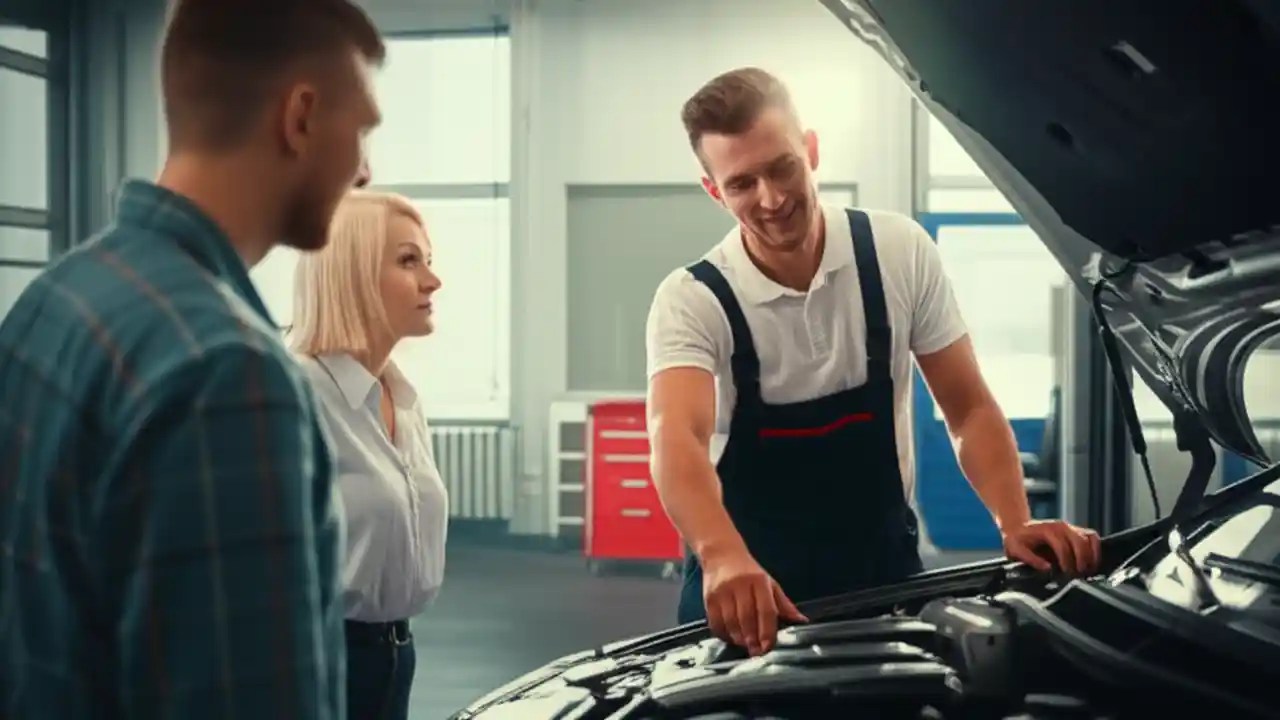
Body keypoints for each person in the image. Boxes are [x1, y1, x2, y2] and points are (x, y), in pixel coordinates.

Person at [0, 1, 384, 718]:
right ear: (299, 116)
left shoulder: (54, 299)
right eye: (361, 128)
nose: (365, 170)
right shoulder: (229, 374)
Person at [644, 67, 1101, 657]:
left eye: (782, 166)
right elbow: (675, 436)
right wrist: (720, 554)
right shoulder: (692, 298)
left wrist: (1014, 522)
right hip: (747, 588)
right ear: (714, 190)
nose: (772, 198)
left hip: (880, 576)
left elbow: (967, 407)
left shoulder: (898, 252)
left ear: (810, 148)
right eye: (742, 183)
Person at [289, 190, 448, 720]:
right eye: (409, 261)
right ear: (351, 273)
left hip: (395, 656)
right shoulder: (295, 395)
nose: (432, 280)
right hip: (315, 665)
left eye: (428, 260)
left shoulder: (400, 396)